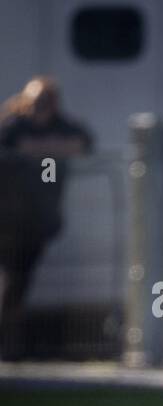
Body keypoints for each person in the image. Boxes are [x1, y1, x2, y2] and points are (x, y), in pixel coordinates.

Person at [0, 76, 92, 360]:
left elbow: (84, 143)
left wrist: (39, 148)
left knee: (19, 281)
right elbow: (15, 144)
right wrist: (46, 147)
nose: (41, 108)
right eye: (37, 102)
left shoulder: (63, 125)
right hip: (5, 218)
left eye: (46, 102)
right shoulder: (14, 124)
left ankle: (9, 343)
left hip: (35, 222)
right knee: (9, 279)